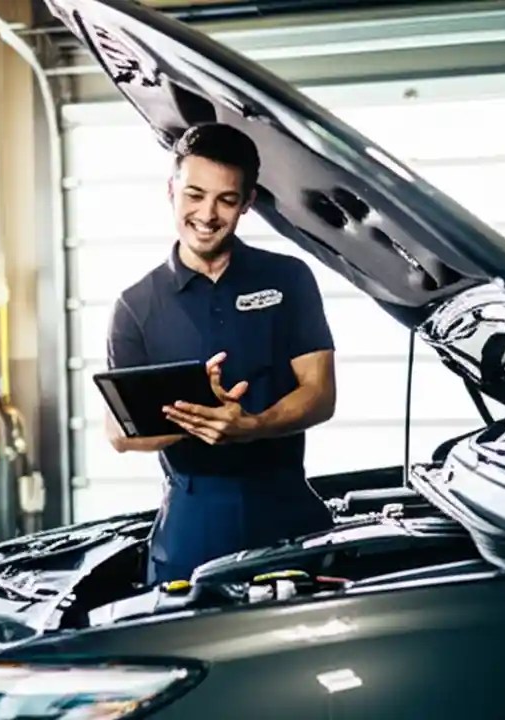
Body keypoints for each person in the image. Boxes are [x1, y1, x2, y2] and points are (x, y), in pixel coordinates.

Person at [105, 122, 338, 585]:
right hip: (192, 521)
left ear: (248, 203)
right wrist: (200, 418)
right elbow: (119, 433)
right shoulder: (136, 305)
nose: (206, 214)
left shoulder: (288, 279)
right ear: (170, 190)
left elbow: (320, 393)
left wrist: (251, 427)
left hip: (286, 510)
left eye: (226, 200)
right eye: (193, 194)